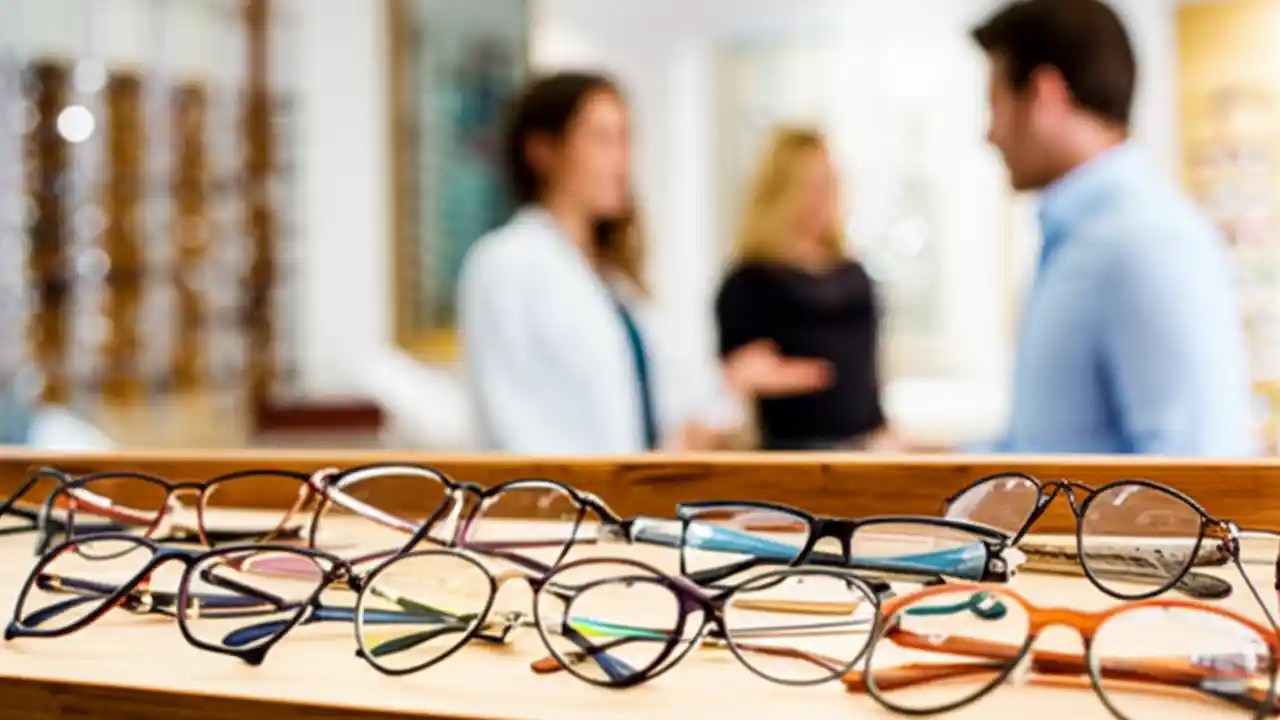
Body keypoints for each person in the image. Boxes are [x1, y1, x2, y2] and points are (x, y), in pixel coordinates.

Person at [459, 73, 829, 453]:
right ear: (542, 150)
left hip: (622, 502)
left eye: (626, 138)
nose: (622, 159)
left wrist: (731, 385)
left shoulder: (611, 279)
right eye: (603, 139)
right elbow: (511, 424)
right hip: (561, 504)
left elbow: (651, 407)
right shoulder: (505, 265)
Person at [972, 0, 1253, 455]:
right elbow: (1049, 448)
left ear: (1044, 95)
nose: (990, 133)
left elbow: (1197, 474)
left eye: (996, 103)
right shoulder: (1081, 237)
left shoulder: (1143, 242)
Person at [716, 128, 900, 451]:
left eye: (828, 184)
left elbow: (870, 378)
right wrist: (786, 376)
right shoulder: (751, 283)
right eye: (810, 187)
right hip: (786, 451)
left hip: (862, 446)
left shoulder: (855, 277)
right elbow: (735, 378)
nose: (822, 199)